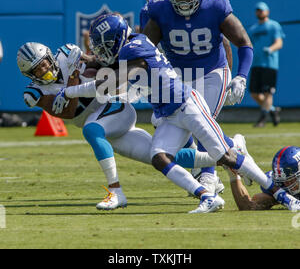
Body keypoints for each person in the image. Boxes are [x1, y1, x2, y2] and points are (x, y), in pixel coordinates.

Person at [62, 12, 300, 213]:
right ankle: (207, 196)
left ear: (116, 40)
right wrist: (85, 58)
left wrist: (70, 92)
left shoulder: (134, 49)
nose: (101, 51)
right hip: (169, 114)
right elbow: (109, 67)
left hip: (187, 105)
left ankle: (281, 195)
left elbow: (110, 83)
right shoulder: (132, 45)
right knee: (160, 157)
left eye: (104, 45)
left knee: (225, 155)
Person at [17, 42, 221, 209]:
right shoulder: (33, 93)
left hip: (113, 105)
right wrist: (72, 77)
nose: (44, 70)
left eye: (44, 64)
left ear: (50, 58)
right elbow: (69, 112)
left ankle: (115, 191)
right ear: (30, 75)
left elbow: (104, 67)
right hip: (106, 124)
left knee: (91, 129)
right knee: (161, 159)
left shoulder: (66, 55)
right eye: (37, 70)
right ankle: (226, 162)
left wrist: (89, 62)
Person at [142, 0, 249, 196]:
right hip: (179, 76)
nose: (182, 1)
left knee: (202, 122)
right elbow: (145, 50)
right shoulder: (157, 10)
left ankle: (209, 177)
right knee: (177, 128)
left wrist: (237, 76)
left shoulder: (215, 5)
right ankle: (235, 148)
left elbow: (238, 42)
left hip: (212, 71)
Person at [225, 146, 300, 211]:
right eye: (284, 181)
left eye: (291, 180)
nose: (287, 185)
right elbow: (247, 206)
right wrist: (233, 176)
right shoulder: (277, 182)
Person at [248, 2, 284, 128]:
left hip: (269, 64)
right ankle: (273, 110)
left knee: (268, 92)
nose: (260, 12)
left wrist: (270, 49)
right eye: (258, 10)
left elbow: (279, 43)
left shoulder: (274, 26)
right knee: (254, 93)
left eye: (262, 10)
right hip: (256, 64)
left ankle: (262, 118)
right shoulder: (252, 29)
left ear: (267, 12)